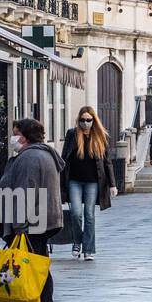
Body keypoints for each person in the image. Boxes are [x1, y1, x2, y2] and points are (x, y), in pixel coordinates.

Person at [0, 117, 64, 302]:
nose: (12, 138)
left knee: (30, 268)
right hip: (45, 218)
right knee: (39, 266)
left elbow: (24, 192)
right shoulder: (46, 154)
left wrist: (20, 226)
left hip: (32, 221)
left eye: (15, 133)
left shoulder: (29, 158)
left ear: (24, 137)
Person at [60, 105, 117, 261]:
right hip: (74, 181)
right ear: (78, 120)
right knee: (76, 213)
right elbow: (64, 157)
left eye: (88, 120)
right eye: (82, 120)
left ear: (94, 120)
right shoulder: (72, 134)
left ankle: (89, 249)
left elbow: (107, 162)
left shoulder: (100, 136)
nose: (85, 123)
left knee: (89, 215)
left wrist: (112, 184)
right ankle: (77, 242)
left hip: (93, 181)